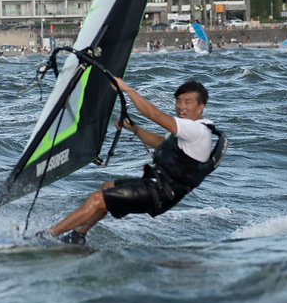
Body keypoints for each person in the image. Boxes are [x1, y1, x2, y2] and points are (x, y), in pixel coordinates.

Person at [48, 77, 224, 244]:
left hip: (159, 193)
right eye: (178, 101)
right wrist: (133, 128)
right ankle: (79, 235)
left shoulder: (195, 129)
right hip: (156, 186)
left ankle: (46, 236)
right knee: (107, 188)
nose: (181, 107)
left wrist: (126, 89)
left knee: (97, 199)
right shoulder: (192, 130)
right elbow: (159, 143)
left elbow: (155, 114)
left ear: (201, 107)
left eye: (188, 102)